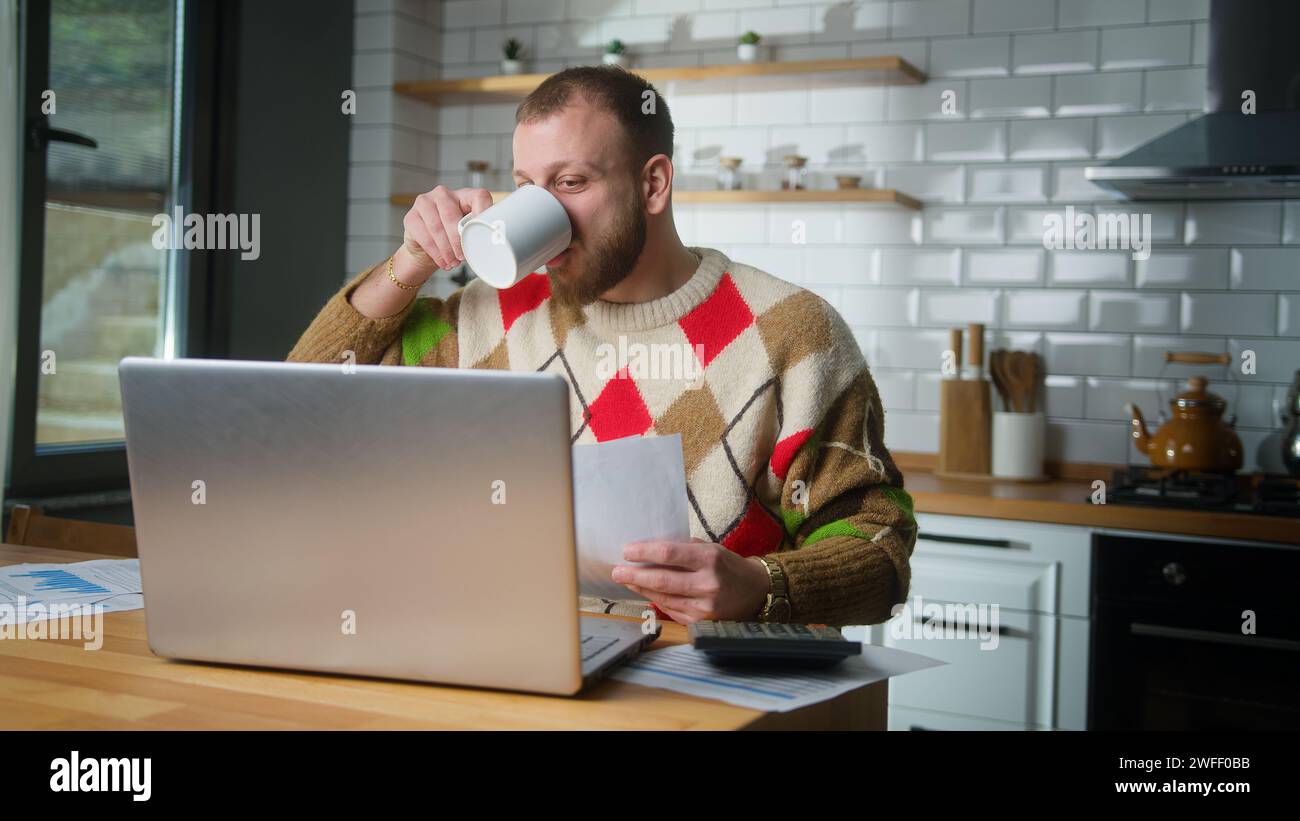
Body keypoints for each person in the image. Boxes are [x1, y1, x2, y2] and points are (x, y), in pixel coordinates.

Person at [288, 66, 916, 627]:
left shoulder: (792, 332)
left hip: (709, 684)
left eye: (570, 182)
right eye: (527, 186)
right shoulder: (486, 317)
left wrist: (762, 584)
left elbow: (878, 542)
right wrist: (410, 262)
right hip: (517, 657)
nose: (544, 211)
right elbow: (303, 406)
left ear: (654, 185)